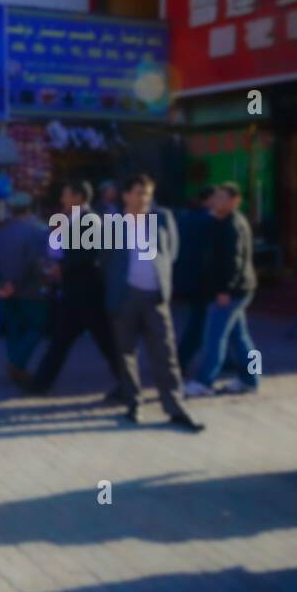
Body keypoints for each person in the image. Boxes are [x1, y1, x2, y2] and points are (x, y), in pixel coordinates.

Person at [102, 173, 204, 431]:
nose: (144, 198)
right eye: (138, 192)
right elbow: (105, 259)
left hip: (155, 295)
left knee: (165, 353)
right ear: (126, 195)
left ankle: (174, 405)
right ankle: (133, 402)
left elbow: (172, 251)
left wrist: (162, 281)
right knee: (126, 353)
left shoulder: (162, 218)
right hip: (125, 295)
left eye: (147, 192)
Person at [27, 180, 124, 398]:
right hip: (74, 291)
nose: (62, 199)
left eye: (66, 194)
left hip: (88, 291)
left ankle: (127, 384)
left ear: (79, 197)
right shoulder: (74, 219)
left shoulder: (89, 220)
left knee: (105, 340)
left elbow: (89, 255)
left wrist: (61, 268)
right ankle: (40, 383)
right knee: (61, 339)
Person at [185, 181, 259, 397]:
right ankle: (251, 379)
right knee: (241, 338)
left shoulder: (232, 225)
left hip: (231, 291)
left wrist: (225, 290)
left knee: (215, 337)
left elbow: (233, 262)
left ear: (234, 201)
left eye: (221, 197)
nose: (215, 201)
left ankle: (204, 381)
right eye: (215, 196)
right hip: (240, 289)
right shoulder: (225, 221)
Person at [0, 192, 50, 384]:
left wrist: (0, 285)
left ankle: (17, 366)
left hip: (5, 289)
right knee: (36, 327)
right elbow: (34, 262)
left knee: (14, 329)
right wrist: (14, 284)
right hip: (30, 289)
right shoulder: (38, 229)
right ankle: (17, 364)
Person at [176, 186, 217, 374]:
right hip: (206, 281)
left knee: (231, 329)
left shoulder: (187, 217)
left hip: (193, 279)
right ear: (208, 200)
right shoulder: (209, 220)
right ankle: (181, 362)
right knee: (198, 325)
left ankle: (232, 362)